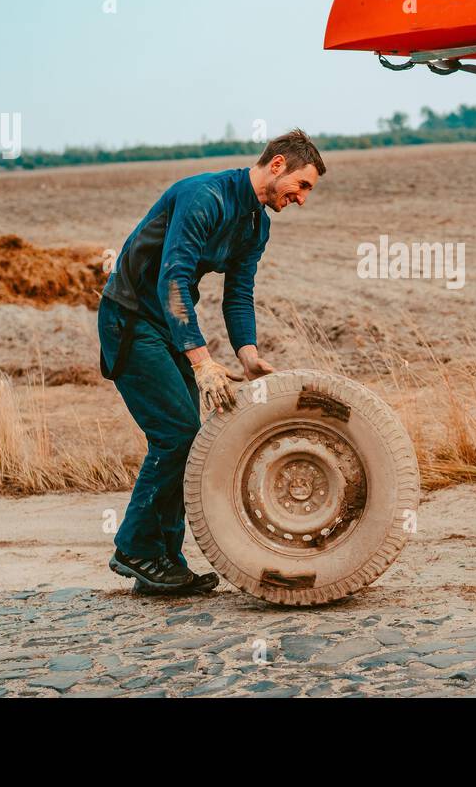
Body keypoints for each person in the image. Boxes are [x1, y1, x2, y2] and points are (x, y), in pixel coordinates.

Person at [97, 129, 325, 594]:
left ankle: (164, 561)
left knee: (191, 438)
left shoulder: (256, 225)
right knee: (176, 434)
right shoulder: (204, 196)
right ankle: (135, 549)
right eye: (302, 186)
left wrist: (248, 355)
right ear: (277, 165)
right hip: (131, 319)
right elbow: (174, 279)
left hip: (166, 326)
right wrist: (202, 361)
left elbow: (238, 294)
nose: (302, 199)